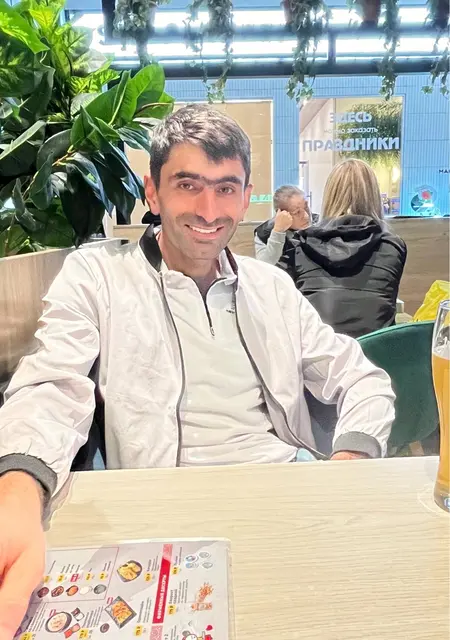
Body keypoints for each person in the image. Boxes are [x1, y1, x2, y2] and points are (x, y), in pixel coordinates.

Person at [0, 106, 395, 637]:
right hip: (166, 508)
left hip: (285, 494)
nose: (209, 210)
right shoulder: (99, 277)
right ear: (153, 192)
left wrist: (350, 461)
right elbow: (52, 385)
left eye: (226, 188)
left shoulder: (271, 287)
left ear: (246, 196)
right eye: (188, 185)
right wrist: (17, 492)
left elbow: (362, 378)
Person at [279, 159, 407, 339]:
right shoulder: (393, 246)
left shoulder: (298, 245)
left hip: (319, 352)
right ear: (374, 197)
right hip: (374, 352)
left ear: (329, 196)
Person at [254, 185, 311, 265]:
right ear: (282, 214)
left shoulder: (319, 223)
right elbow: (264, 265)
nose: (306, 216)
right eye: (297, 212)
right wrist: (278, 232)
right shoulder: (265, 233)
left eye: (306, 207)